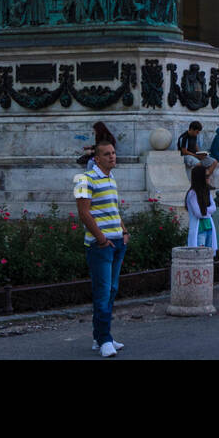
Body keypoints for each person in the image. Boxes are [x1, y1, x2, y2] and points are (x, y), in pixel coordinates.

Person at [74, 139, 129, 358]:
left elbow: (115, 210)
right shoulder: (83, 179)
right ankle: (104, 339)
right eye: (107, 154)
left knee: (111, 291)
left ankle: (102, 337)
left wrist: (124, 232)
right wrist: (101, 239)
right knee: (102, 292)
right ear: (96, 159)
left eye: (114, 153)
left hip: (117, 242)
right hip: (101, 246)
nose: (112, 156)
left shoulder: (111, 178)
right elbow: (84, 213)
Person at [185, 164, 218, 249]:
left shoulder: (206, 191)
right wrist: (208, 211)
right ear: (200, 177)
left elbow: (214, 207)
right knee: (200, 254)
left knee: (209, 253)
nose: (209, 178)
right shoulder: (192, 193)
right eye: (206, 176)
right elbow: (198, 213)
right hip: (199, 229)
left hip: (209, 227)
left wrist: (205, 210)